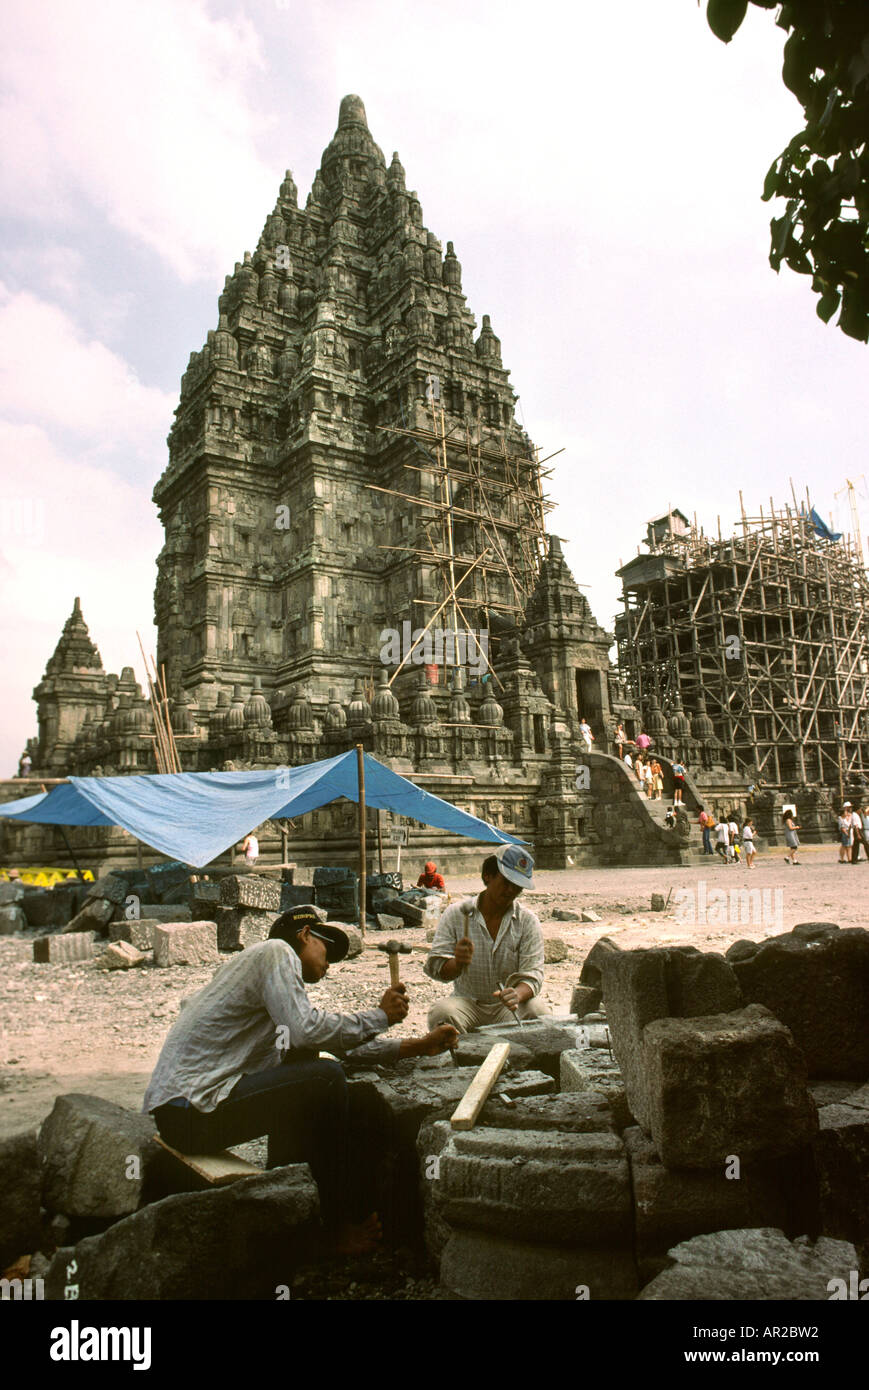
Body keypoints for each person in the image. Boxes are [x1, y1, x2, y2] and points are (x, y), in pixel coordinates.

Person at [144, 905, 458, 1253]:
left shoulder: (261, 983)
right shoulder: (277, 952)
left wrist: (417, 1046)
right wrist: (380, 1016)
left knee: (311, 1078)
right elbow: (309, 1032)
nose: (329, 964)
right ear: (305, 935)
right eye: (326, 950)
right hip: (189, 1109)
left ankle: (285, 1206)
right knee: (324, 1081)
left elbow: (329, 1050)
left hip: (183, 1113)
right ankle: (333, 1228)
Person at [425, 846, 550, 1033]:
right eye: (506, 882)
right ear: (487, 876)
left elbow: (533, 975)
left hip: (508, 1008)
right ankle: (462, 1057)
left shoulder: (527, 921)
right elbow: (436, 968)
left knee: (539, 1011)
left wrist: (517, 994)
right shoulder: (456, 914)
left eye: (518, 886)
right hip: (468, 1004)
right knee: (441, 1013)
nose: (511, 890)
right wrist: (457, 963)